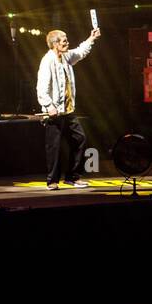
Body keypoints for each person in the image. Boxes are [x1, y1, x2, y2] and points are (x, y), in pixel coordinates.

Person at [36, 26, 101, 190]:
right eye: (64, 41)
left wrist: (91, 38)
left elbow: (80, 52)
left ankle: (72, 177)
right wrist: (49, 106)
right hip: (54, 113)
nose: (67, 42)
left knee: (79, 139)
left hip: (68, 110)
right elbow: (41, 88)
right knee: (54, 147)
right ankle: (52, 181)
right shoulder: (47, 61)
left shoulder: (65, 57)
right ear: (55, 44)